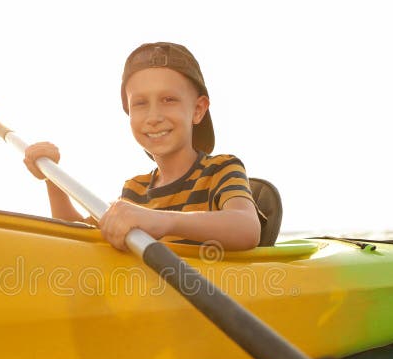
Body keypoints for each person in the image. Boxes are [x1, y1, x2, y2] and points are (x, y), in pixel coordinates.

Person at [23, 42, 262, 251]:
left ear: (198, 110)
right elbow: (77, 239)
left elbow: (247, 228)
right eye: (139, 103)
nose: (154, 116)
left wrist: (163, 221)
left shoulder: (222, 170)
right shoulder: (133, 192)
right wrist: (53, 180)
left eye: (169, 100)